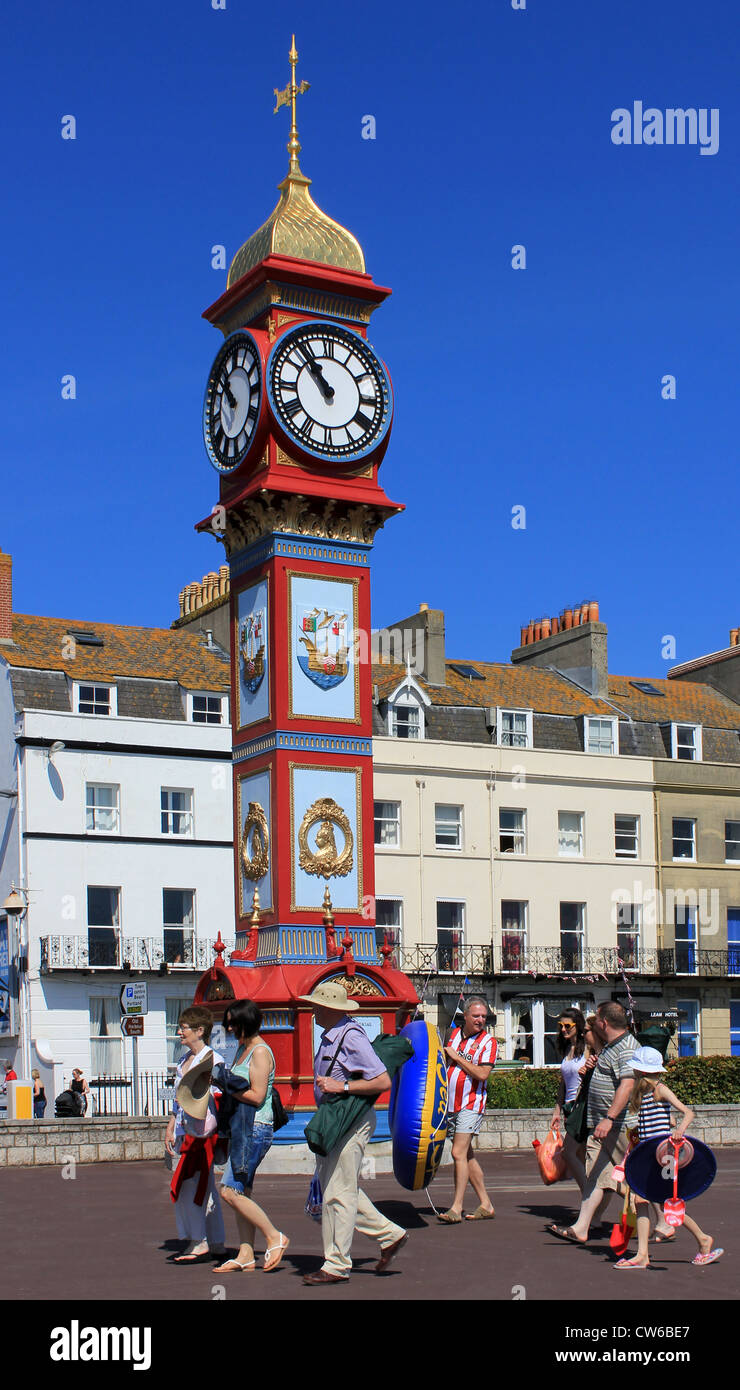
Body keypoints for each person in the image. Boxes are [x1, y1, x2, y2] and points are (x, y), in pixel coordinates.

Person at [300, 979, 408, 1285]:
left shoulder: (350, 1037)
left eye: (317, 1005)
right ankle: (391, 1235)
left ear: (330, 1008)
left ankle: (336, 1264)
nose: (314, 1010)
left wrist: (341, 1085)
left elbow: (382, 1081)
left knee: (338, 1192)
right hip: (339, 1119)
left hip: (349, 1119)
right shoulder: (334, 1034)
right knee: (341, 1187)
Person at [614, 1046, 723, 1269]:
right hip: (648, 1154)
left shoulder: (661, 1089)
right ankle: (644, 1254)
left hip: (663, 1157)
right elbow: (662, 1120)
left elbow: (688, 1112)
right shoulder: (643, 1094)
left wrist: (679, 1130)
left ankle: (701, 1239)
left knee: (662, 1204)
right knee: (644, 1200)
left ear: (641, 1072)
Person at [548, 1001, 639, 1245]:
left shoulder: (627, 1047)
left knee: (635, 1178)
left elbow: (627, 1085)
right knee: (597, 1176)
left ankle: (662, 1220)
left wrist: (609, 1118)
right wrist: (592, 1067)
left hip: (620, 1125)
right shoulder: (611, 1046)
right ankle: (582, 1227)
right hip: (599, 1123)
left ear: (604, 1022)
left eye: (596, 1018)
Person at [211, 1000, 288, 1274]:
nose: (229, 1028)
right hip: (242, 1127)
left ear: (249, 1022)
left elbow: (256, 1096)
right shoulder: (243, 1050)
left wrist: (226, 1085)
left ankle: (274, 1235)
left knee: (229, 1191)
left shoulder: (259, 1052)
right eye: (227, 1023)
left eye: (234, 1023)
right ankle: (245, 1253)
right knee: (243, 1191)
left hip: (256, 1127)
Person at [165, 1006, 226, 1264]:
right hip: (184, 1129)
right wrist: (170, 1125)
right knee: (205, 1186)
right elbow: (179, 1100)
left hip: (202, 1132)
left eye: (184, 1027)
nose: (180, 1032)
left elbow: (218, 1098)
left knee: (189, 1185)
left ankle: (197, 1241)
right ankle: (217, 1242)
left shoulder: (213, 1060)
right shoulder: (183, 1060)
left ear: (200, 1031)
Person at [438, 996, 497, 1223]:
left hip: (471, 1103)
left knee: (457, 1153)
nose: (481, 1020)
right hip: (450, 1102)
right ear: (465, 1016)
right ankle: (486, 1203)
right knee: (467, 1155)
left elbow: (482, 1074)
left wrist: (456, 1057)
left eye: (483, 1016)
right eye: (476, 1016)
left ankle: (456, 1207)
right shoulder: (452, 1035)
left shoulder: (488, 1042)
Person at [550, 1009, 588, 1192]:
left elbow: (588, 1077)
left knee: (570, 1153)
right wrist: (557, 1111)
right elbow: (563, 1084)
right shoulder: (567, 1049)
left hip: (581, 1107)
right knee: (579, 1157)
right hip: (569, 1107)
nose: (563, 1030)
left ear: (578, 1026)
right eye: (561, 1026)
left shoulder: (587, 1048)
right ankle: (589, 1199)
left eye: (568, 1026)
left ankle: (590, 1197)